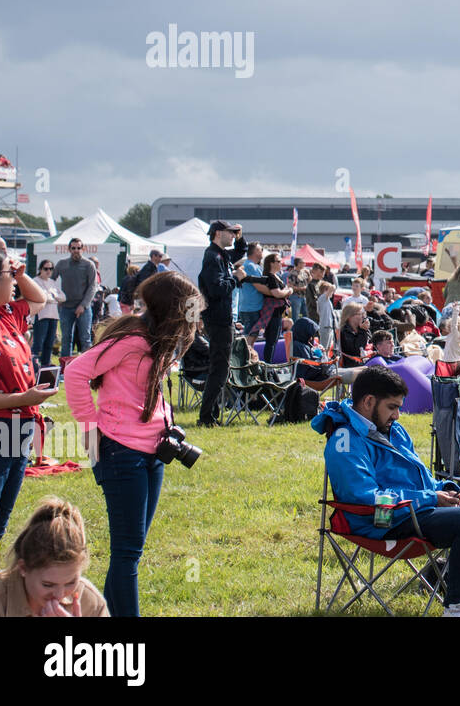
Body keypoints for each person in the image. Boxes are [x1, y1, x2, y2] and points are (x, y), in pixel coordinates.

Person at [312, 366, 460, 617]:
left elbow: (420, 477)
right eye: (392, 407)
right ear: (368, 401)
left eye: (399, 407)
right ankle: (455, 608)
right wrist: (430, 498)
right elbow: (364, 497)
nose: (398, 415)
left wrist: (446, 490)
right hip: (380, 519)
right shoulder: (344, 441)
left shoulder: (393, 430)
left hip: (416, 509)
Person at [63, 271, 200, 617]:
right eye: (188, 308)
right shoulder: (132, 340)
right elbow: (77, 372)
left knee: (130, 552)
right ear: (170, 308)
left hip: (152, 450)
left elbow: (143, 389)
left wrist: (165, 419)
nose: (192, 315)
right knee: (127, 553)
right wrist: (90, 427)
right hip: (121, 451)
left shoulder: (159, 338)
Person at [0, 250, 49, 569]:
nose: (15, 282)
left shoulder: (6, 313)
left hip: (21, 427)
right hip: (1, 427)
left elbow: (39, 298)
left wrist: (18, 271)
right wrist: (25, 398)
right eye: (8, 275)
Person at [0, 497, 108, 617]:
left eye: (71, 582)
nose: (59, 595)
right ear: (23, 568)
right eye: (48, 585)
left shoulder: (91, 603)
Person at [196, 220, 246, 427]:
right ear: (218, 233)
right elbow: (217, 289)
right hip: (217, 320)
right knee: (219, 370)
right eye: (230, 233)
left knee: (220, 369)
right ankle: (206, 416)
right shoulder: (212, 257)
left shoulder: (221, 255)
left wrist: (241, 235)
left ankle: (210, 414)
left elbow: (241, 250)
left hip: (222, 319)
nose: (233, 236)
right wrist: (235, 277)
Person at [244, 253, 291, 365]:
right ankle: (267, 365)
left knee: (273, 341)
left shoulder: (276, 276)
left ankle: (267, 364)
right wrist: (289, 291)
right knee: (271, 341)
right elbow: (277, 293)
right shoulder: (270, 277)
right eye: (278, 261)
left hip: (277, 313)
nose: (281, 263)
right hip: (272, 313)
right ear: (271, 263)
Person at [54, 238, 98, 356]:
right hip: (66, 307)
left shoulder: (89, 265)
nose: (76, 250)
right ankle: (65, 370)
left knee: (85, 339)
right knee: (66, 339)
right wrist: (56, 296)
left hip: (84, 308)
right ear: (69, 249)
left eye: (79, 248)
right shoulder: (61, 264)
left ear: (83, 249)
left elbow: (93, 286)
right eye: (73, 248)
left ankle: (87, 369)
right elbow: (50, 280)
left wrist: (83, 305)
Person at [30, 260, 65, 370]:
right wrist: (53, 297)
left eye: (50, 269)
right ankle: (33, 364)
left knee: (50, 342)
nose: (48, 271)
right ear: (40, 269)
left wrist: (52, 296)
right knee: (39, 342)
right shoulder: (35, 281)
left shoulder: (52, 282)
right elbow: (44, 297)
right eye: (46, 269)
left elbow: (63, 297)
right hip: (41, 315)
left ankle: (45, 364)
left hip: (53, 316)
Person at [338, 301, 371, 367]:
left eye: (363, 314)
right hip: (351, 365)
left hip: (364, 361)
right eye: (360, 314)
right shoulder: (344, 331)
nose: (363, 317)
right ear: (349, 316)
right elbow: (356, 350)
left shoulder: (361, 328)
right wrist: (362, 331)